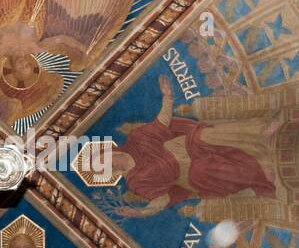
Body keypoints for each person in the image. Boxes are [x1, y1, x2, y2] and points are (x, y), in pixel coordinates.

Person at [111, 75, 277, 218]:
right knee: (202, 169)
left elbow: (161, 123)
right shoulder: (135, 182)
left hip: (184, 145)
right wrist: (141, 212)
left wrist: (167, 97)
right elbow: (161, 199)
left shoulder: (136, 139)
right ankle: (259, 174)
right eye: (109, 167)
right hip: (186, 174)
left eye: (107, 159)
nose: (112, 163)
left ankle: (259, 132)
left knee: (202, 136)